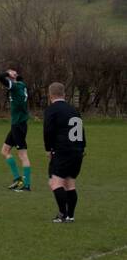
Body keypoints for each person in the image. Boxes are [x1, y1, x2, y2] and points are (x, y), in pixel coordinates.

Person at [44, 82, 86, 223]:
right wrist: (82, 148)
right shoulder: (74, 110)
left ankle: (62, 214)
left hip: (63, 151)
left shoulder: (52, 109)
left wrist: (48, 149)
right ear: (64, 94)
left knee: (55, 183)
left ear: (50, 96)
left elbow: (48, 130)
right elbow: (81, 130)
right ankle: (70, 216)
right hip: (77, 151)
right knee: (70, 183)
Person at [0, 66, 31, 192]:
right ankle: (18, 179)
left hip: (19, 125)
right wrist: (13, 76)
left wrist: (8, 73)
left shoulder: (16, 86)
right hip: (17, 124)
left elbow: (0, 77)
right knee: (5, 150)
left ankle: (26, 185)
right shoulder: (21, 85)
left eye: (14, 73)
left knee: (22, 155)